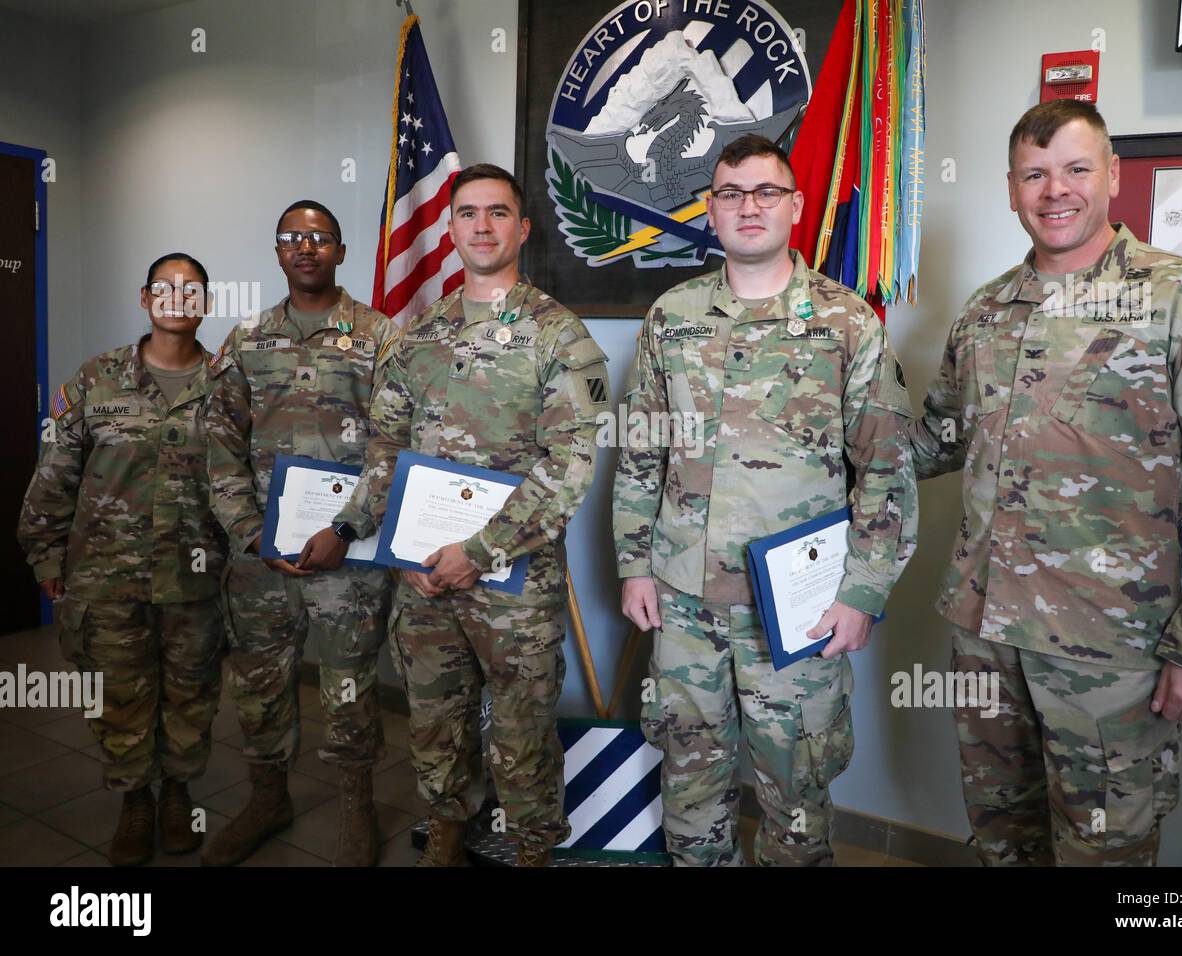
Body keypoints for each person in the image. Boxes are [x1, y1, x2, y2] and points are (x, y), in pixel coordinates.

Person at [908, 100, 1182, 865]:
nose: (1056, 191)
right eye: (1035, 175)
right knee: (1001, 840)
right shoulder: (985, 313)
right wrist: (811, 434)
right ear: (1011, 190)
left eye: (1077, 169)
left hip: (1109, 655)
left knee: (1102, 854)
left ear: (1112, 174)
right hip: (985, 640)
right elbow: (937, 439)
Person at [612, 134, 918, 866]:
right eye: (730, 193)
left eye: (766, 192)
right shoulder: (671, 317)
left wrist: (865, 591)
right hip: (684, 603)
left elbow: (886, 466)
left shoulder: (847, 323)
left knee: (796, 793)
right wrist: (632, 565)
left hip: (798, 609)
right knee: (690, 784)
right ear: (710, 209)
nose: (748, 206)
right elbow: (641, 449)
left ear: (795, 206)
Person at [335, 164, 609, 867]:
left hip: (513, 584)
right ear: (450, 228)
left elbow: (569, 464)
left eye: (497, 213)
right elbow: (386, 445)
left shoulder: (559, 336)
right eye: (467, 213)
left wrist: (481, 551)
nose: (481, 226)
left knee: (520, 734)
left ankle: (531, 849)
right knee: (434, 721)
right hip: (422, 577)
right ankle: (447, 834)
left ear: (521, 228)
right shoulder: (417, 334)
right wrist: (367, 534)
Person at [203, 201, 397, 866]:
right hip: (264, 552)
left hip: (350, 550)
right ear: (278, 252)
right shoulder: (247, 338)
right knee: (259, 680)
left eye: (319, 238)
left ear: (341, 251)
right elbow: (219, 442)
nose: (305, 247)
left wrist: (348, 527)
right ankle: (267, 797)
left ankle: (355, 804)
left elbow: (393, 444)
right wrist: (249, 531)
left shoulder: (378, 335)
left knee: (348, 683)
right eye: (292, 238)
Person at [18, 253, 228, 866]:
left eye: (191, 289)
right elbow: (53, 475)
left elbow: (247, 483)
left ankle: (178, 792)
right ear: (145, 300)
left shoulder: (227, 384)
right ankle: (135, 799)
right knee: (119, 695)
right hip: (106, 578)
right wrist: (46, 556)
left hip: (196, 579)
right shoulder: (95, 380)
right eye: (165, 287)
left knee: (191, 692)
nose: (177, 297)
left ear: (205, 304)